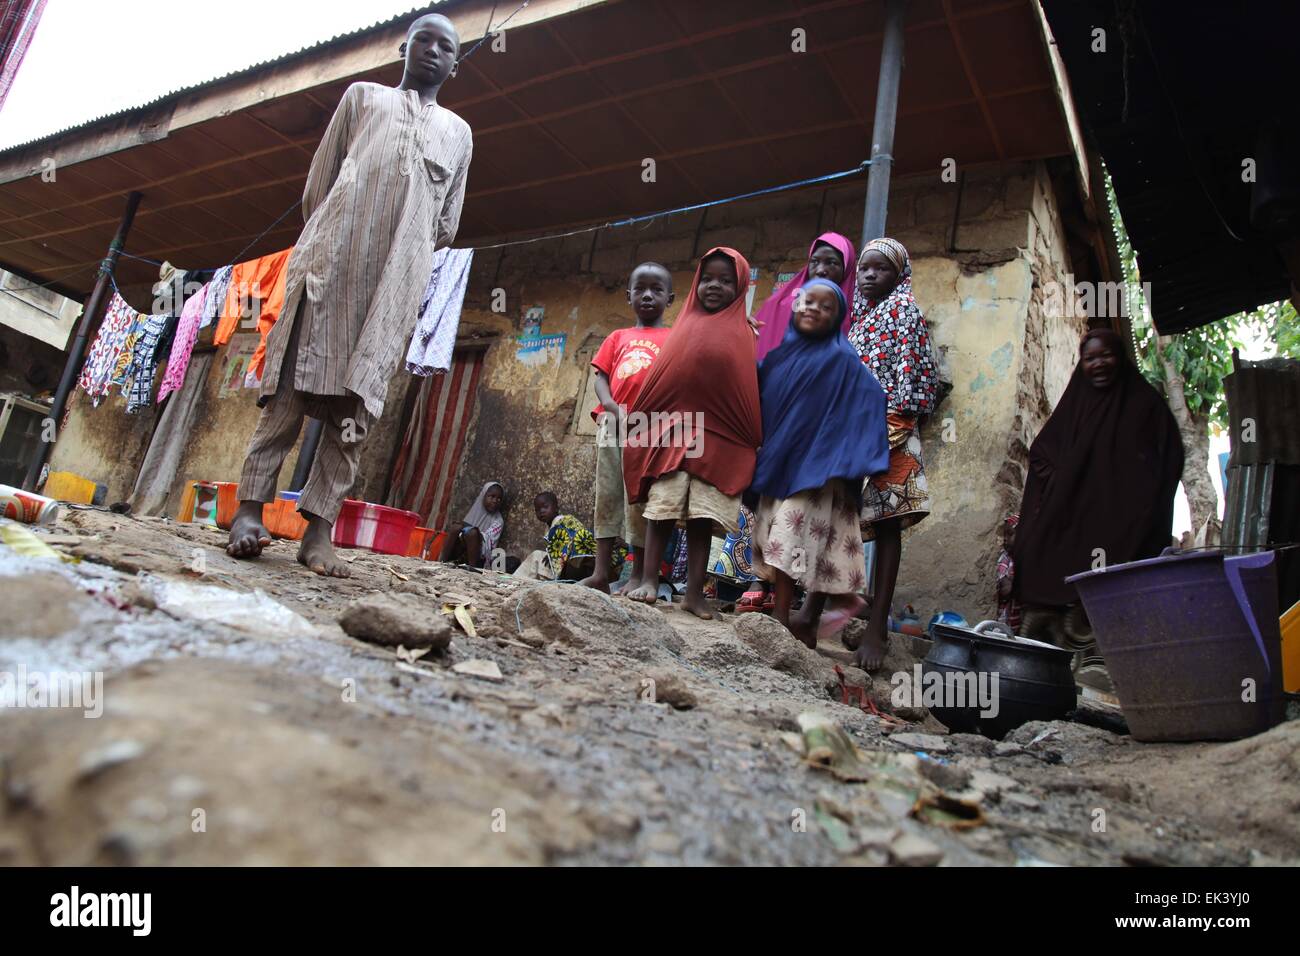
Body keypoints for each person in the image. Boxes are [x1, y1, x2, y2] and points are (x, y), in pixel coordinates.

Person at [226, 13, 472, 577]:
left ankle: (318, 531)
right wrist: (341, 239)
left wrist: (398, 243)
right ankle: (248, 511)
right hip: (329, 271)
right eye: (423, 41)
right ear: (403, 49)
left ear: (456, 64)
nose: (433, 52)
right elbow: (319, 185)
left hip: (393, 290)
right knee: (286, 396)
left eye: (446, 47)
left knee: (354, 414)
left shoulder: (459, 133)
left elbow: (447, 224)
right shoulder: (362, 97)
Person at [1013, 328, 1184, 691]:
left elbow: (1168, 458)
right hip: (1073, 514)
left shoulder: (1144, 405)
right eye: (1090, 358)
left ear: (1120, 358)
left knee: (1114, 575)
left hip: (1124, 521)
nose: (1099, 364)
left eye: (1106, 355)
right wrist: (1064, 478)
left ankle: (1100, 662)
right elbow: (1043, 450)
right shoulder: (1077, 403)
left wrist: (1135, 495)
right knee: (1036, 550)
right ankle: (1047, 655)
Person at [810, 238, 938, 671]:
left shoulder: (906, 313)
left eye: (879, 269)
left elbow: (919, 382)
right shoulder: (858, 319)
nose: (866, 276)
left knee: (887, 527)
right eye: (863, 268)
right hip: (852, 432)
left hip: (893, 434)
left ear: (898, 275)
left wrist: (890, 429)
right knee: (835, 516)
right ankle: (811, 612)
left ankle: (877, 629)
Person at [748, 278, 889, 646]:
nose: (814, 309)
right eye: (808, 302)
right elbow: (763, 401)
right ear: (795, 305)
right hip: (782, 461)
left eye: (826, 307)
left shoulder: (842, 359)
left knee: (788, 536)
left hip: (815, 472)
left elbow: (871, 398)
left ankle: (781, 617)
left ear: (837, 316)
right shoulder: (780, 358)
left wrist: (843, 452)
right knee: (773, 533)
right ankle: (828, 608)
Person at [622, 247, 762, 619]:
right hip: (676, 432)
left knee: (702, 518)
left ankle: (695, 594)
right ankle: (649, 579)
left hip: (716, 440)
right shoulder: (685, 324)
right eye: (708, 278)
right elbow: (666, 377)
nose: (714, 286)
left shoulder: (745, 333)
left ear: (742, 286)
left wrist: (749, 436)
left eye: (726, 280)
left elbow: (745, 386)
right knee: (662, 508)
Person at [579, 262, 675, 592]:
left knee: (639, 500)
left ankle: (636, 574)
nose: (647, 295)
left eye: (657, 290)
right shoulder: (617, 337)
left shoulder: (674, 339)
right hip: (611, 423)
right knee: (607, 494)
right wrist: (609, 405)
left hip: (649, 428)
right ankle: (601, 571)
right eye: (640, 289)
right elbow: (601, 378)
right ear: (628, 296)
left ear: (670, 298)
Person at [753, 232, 857, 362]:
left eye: (831, 263)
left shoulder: (857, 310)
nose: (820, 270)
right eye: (814, 261)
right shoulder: (782, 303)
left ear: (846, 268)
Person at [514, 492, 624, 581]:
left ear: (556, 507)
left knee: (537, 557)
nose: (541, 511)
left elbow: (575, 538)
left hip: (583, 568)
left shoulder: (563, 521)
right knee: (538, 557)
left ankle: (517, 581)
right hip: (577, 568)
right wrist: (553, 553)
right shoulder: (553, 528)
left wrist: (556, 553)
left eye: (545, 507)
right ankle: (518, 580)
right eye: (537, 510)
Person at [440, 481, 506, 567]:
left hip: (480, 557)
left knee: (472, 533)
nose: (495, 501)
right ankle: (442, 562)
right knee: (456, 527)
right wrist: (463, 528)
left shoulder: (498, 520)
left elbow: (488, 542)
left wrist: (470, 529)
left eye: (499, 499)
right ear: (483, 495)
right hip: (462, 551)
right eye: (492, 496)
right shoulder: (475, 510)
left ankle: (472, 568)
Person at [996, 513, 1022, 632]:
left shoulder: (1027, 559)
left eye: (1010, 534)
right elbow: (1005, 590)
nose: (1005, 538)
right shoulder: (1006, 558)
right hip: (1006, 620)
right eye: (1004, 534)